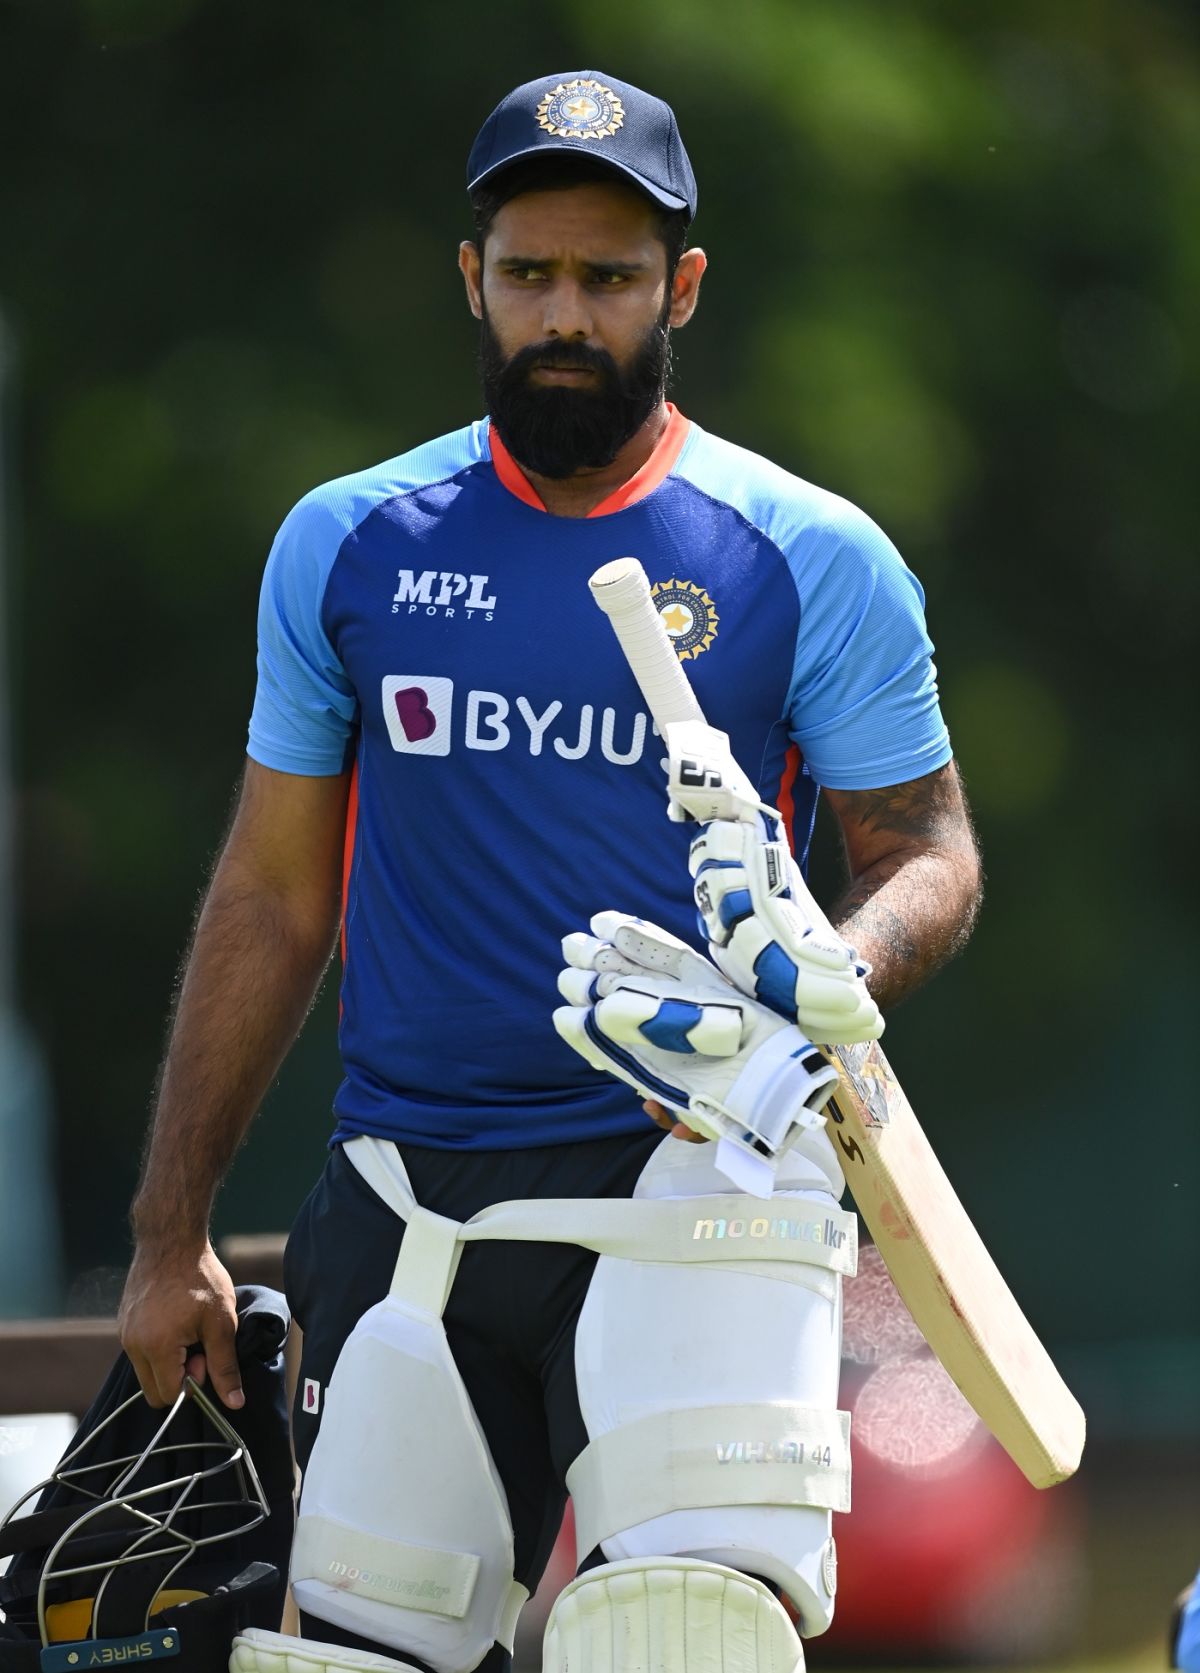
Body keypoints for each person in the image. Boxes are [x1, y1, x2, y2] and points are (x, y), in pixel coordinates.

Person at [117, 70, 981, 1673]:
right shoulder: (350, 541)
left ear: (684, 289)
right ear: (473, 278)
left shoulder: (811, 554)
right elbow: (272, 895)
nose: (564, 314)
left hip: (694, 1192)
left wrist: (827, 984)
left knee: (683, 1644)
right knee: (357, 1659)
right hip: (403, 1205)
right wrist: (173, 1228)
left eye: (609, 277)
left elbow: (925, 855)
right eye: (530, 273)